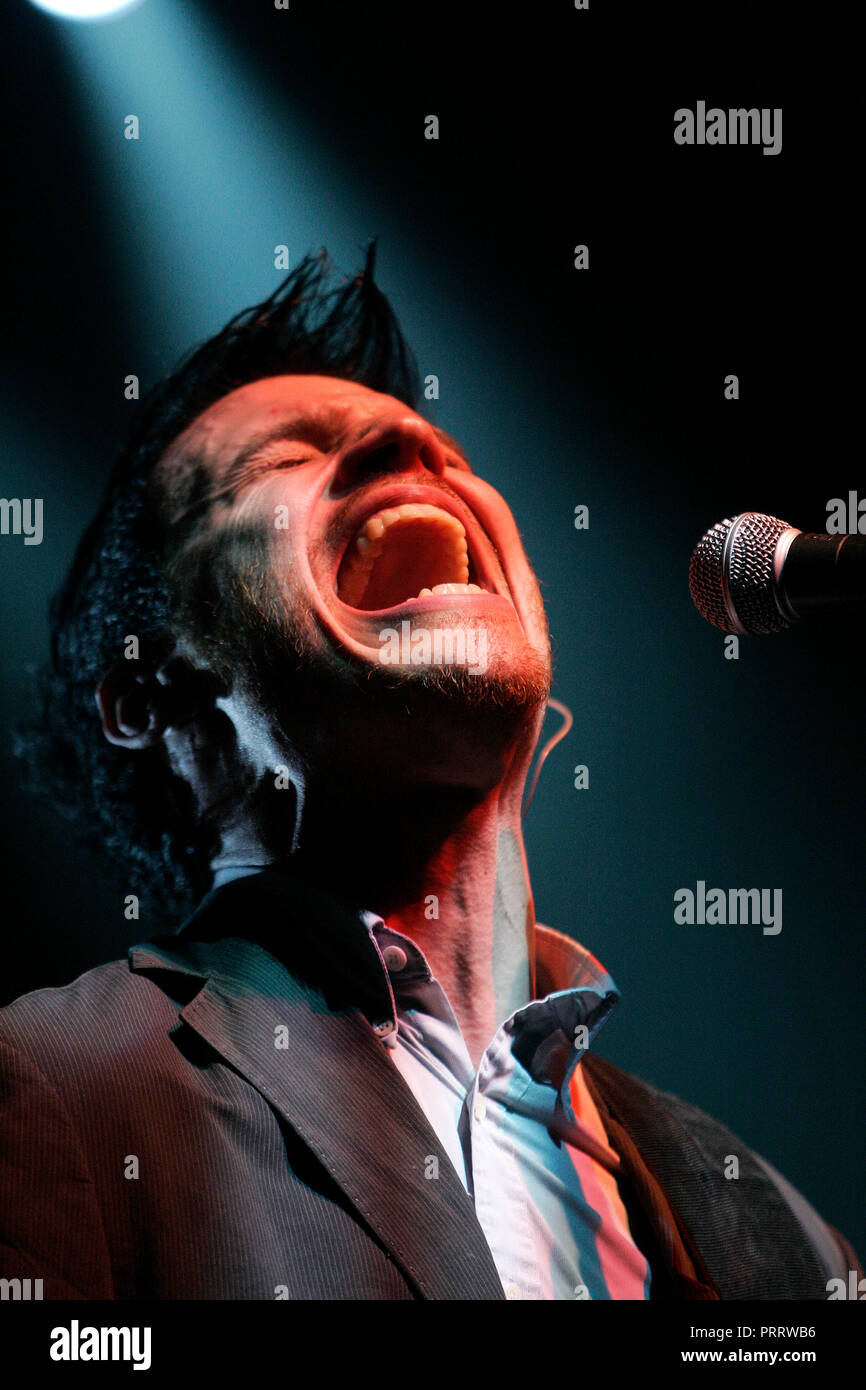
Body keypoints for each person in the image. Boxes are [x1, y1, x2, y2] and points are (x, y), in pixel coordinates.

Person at [1, 250, 859, 1301]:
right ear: (154, 695)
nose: (408, 437)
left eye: (446, 449)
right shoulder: (54, 1089)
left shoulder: (781, 1231)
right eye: (286, 456)